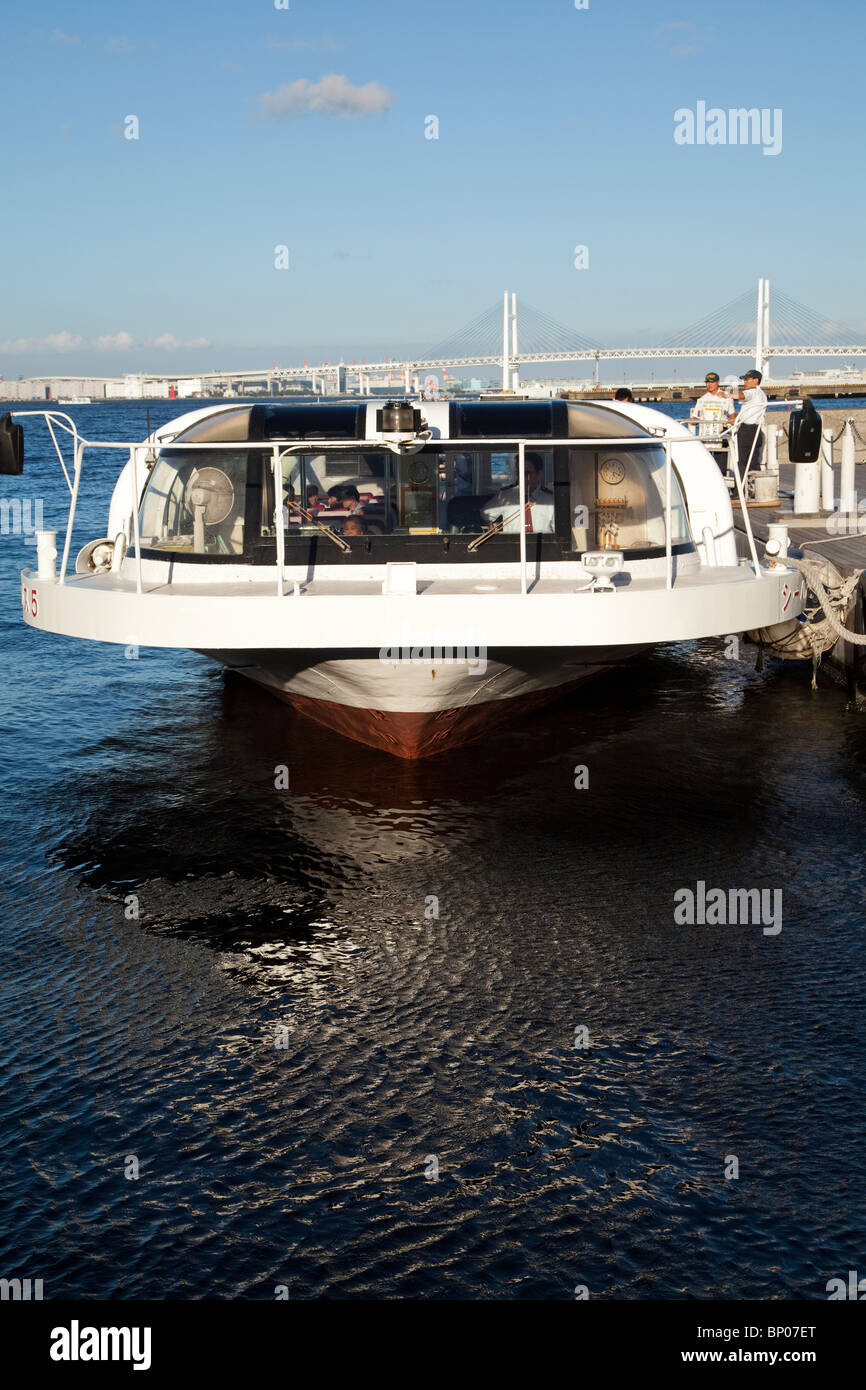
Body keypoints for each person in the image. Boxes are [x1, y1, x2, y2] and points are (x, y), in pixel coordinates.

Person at [481, 451, 554, 533]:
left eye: (527, 473)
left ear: (539, 474)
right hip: (514, 544)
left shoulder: (550, 499)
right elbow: (485, 515)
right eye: (519, 473)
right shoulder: (505, 496)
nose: (522, 477)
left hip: (542, 544)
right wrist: (493, 536)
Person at [689, 372, 735, 472]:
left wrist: (728, 421)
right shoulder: (702, 399)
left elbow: (732, 415)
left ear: (718, 383)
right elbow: (696, 417)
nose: (709, 385)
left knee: (721, 465)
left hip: (721, 434)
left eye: (712, 382)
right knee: (705, 463)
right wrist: (692, 421)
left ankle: (722, 480)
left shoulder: (726, 397)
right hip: (705, 435)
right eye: (707, 382)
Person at [731, 369, 768, 478]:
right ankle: (756, 487)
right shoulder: (761, 393)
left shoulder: (752, 392)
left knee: (743, 461)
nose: (745, 382)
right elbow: (750, 412)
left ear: (756, 380)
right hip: (756, 429)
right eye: (744, 380)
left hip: (747, 430)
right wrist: (737, 419)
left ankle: (740, 490)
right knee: (753, 460)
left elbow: (742, 395)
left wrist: (726, 395)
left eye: (747, 379)